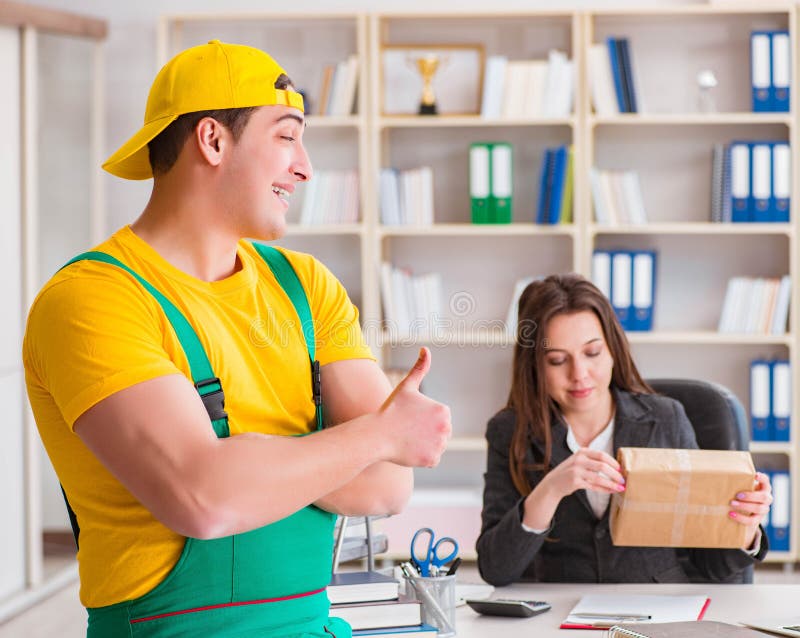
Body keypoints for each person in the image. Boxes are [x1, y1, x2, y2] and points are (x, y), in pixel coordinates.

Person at [23, 40, 451, 637]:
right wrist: (375, 434)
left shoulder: (306, 288)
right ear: (213, 140)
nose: (305, 166)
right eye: (286, 136)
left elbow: (386, 485)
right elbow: (203, 498)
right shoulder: (92, 300)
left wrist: (247, 465)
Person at [476, 273, 771, 586]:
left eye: (592, 353)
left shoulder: (666, 418)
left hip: (656, 612)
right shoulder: (509, 432)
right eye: (558, 360)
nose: (580, 374)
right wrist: (550, 490)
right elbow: (496, 569)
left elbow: (710, 563)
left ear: (613, 350)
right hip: (560, 615)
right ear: (534, 366)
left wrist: (746, 527)